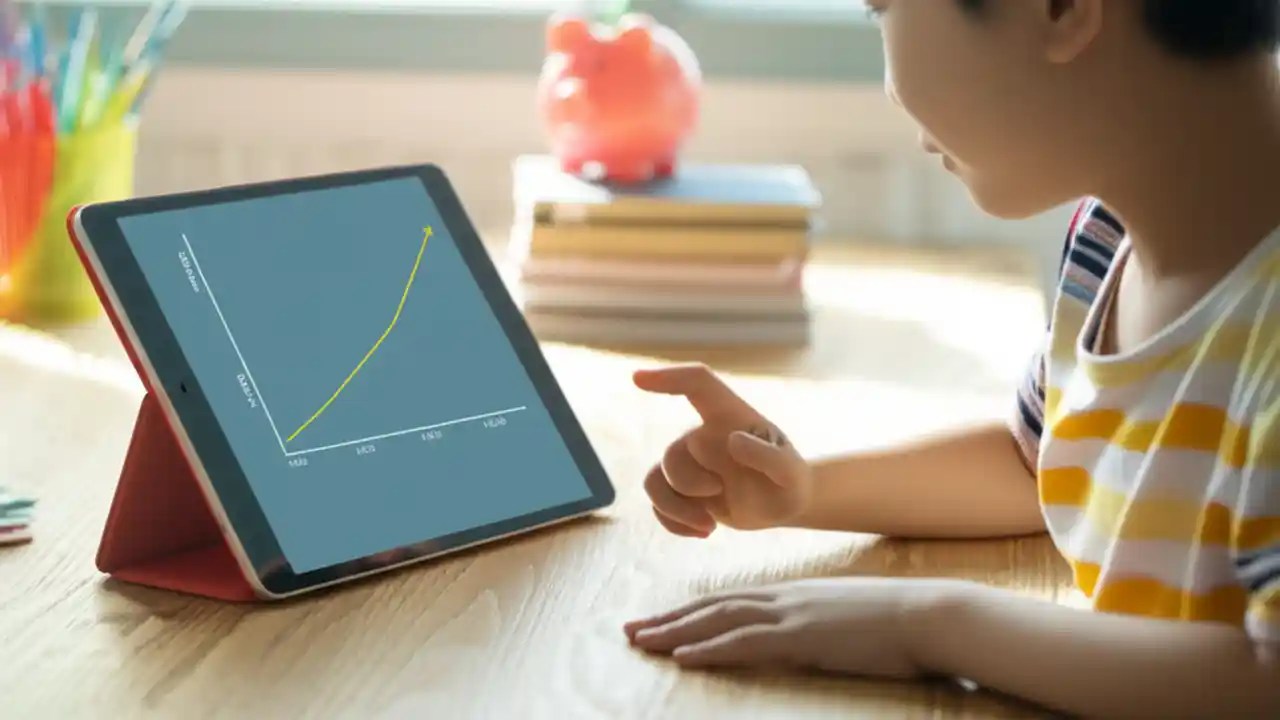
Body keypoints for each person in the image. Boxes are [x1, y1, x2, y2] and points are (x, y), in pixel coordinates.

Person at [621, 1, 1280, 717]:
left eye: (883, 9)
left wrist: (931, 625)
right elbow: (1037, 462)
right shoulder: (1108, 240)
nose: (891, 87)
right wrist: (805, 488)